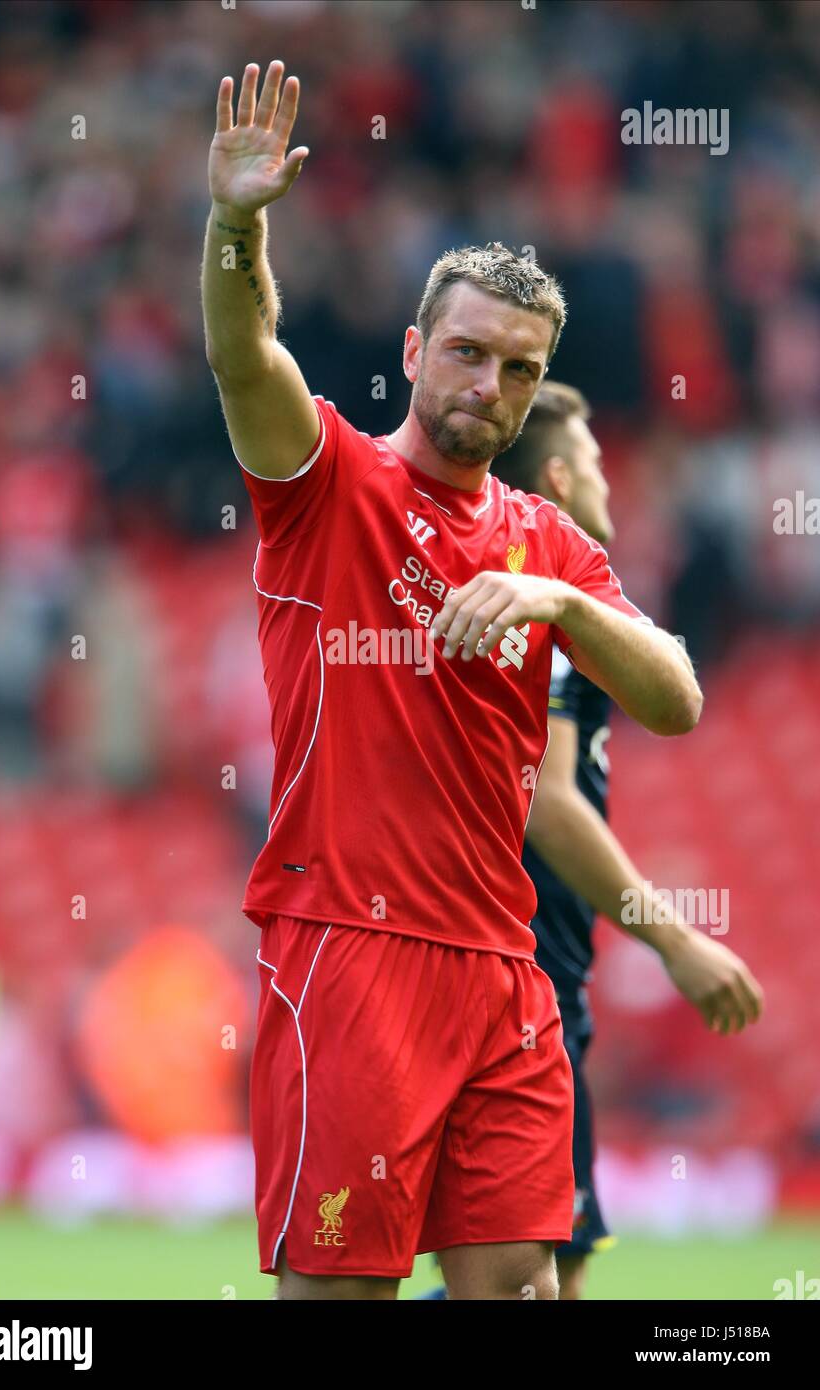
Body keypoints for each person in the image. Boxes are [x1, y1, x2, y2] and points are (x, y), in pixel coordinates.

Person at [201, 61, 703, 1301]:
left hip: (503, 967)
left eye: (519, 370)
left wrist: (563, 602)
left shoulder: (551, 542)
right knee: (344, 1295)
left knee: (524, 1291)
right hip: (352, 954)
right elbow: (244, 357)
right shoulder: (329, 487)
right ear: (418, 350)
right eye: (469, 354)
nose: (490, 387)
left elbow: (677, 697)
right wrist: (235, 225)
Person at [420, 383, 764, 1301]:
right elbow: (548, 804)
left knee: (542, 1278)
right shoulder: (554, 625)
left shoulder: (546, 612)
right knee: (536, 1281)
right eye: (600, 463)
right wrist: (676, 938)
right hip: (522, 977)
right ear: (563, 479)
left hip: (531, 968)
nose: (614, 480)